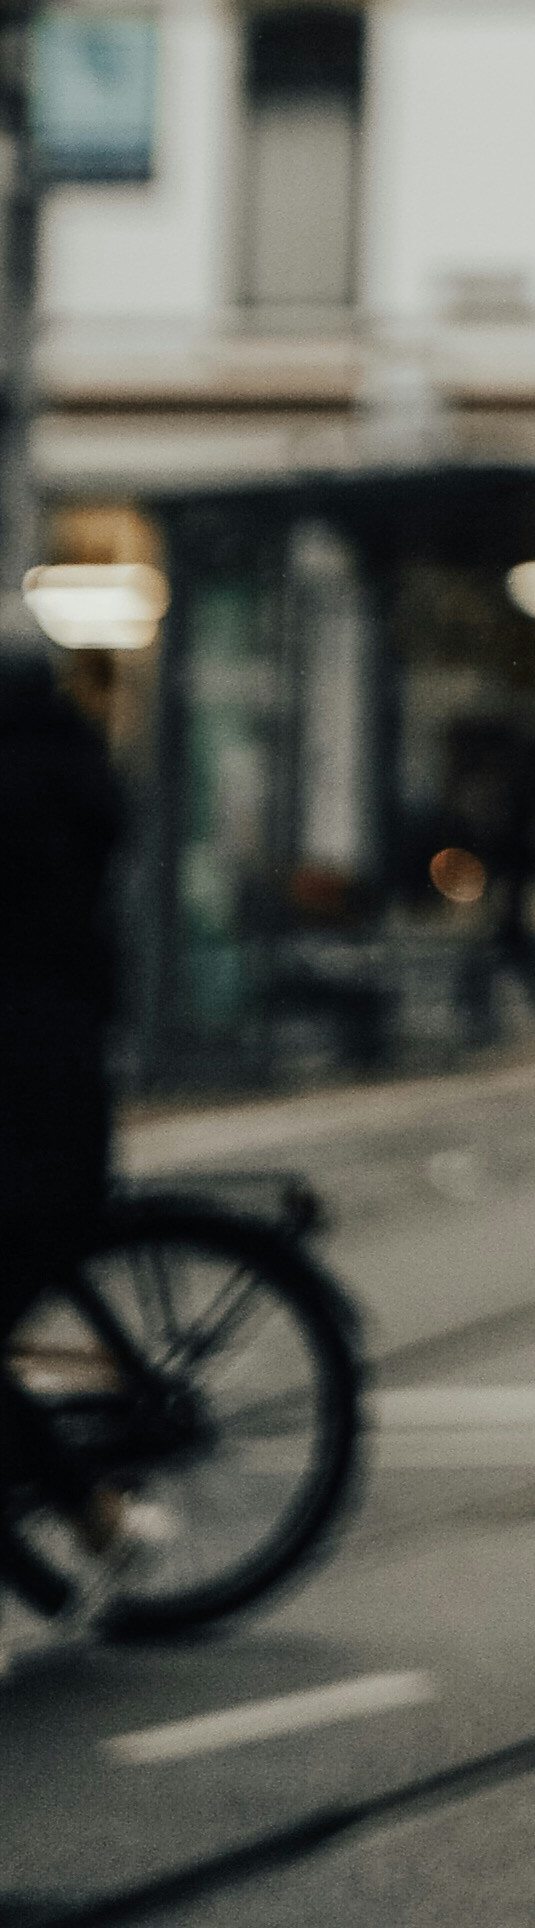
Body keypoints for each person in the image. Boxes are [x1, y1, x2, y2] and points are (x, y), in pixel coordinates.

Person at [0, 596, 141, 1652]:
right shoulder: (69, 771)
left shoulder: (19, 795)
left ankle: (94, 1522)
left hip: (29, 1107)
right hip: (54, 1091)